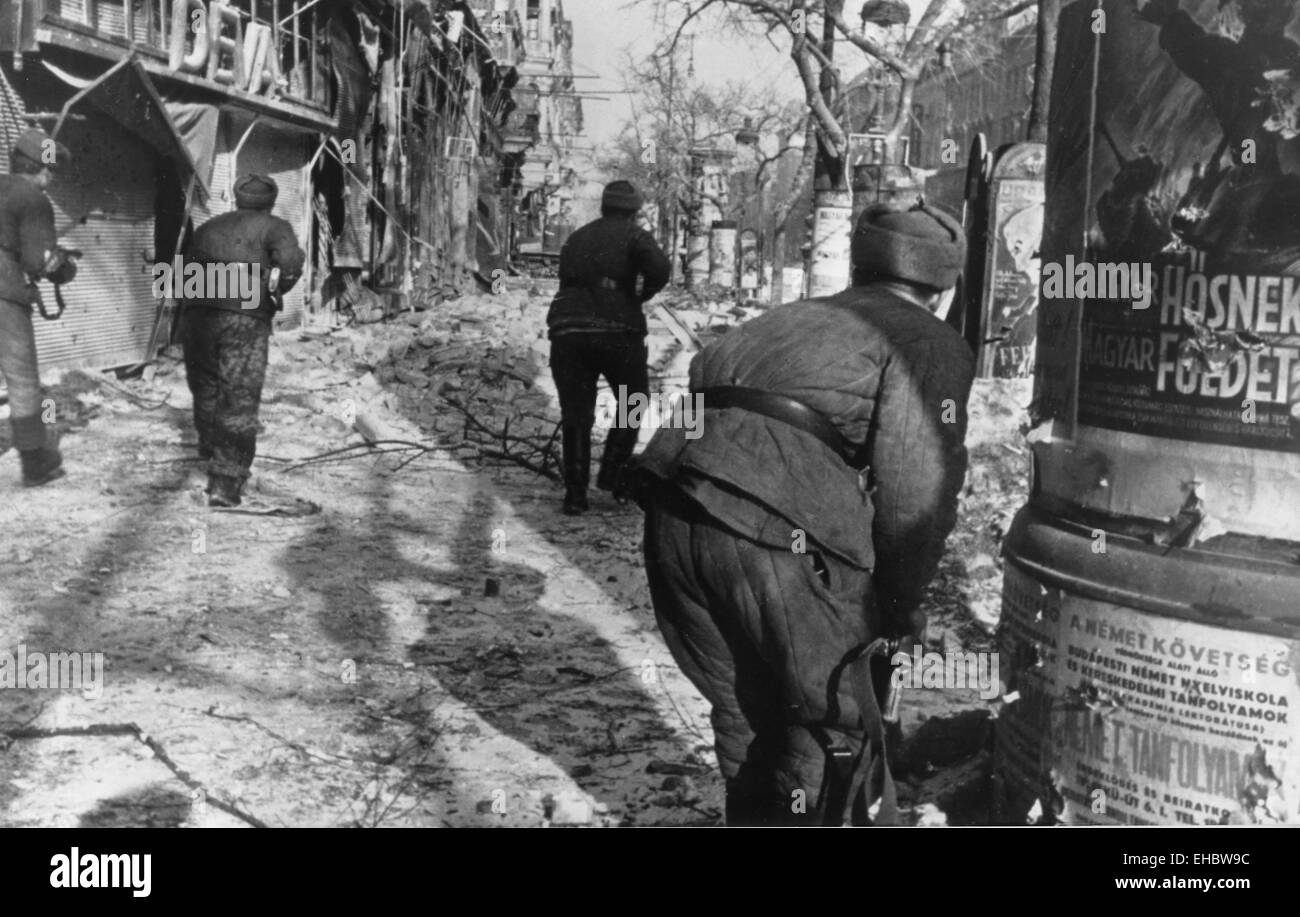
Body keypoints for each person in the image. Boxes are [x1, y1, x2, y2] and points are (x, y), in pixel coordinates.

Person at [633, 201, 975, 826]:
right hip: (770, 530)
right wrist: (897, 601)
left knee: (746, 710)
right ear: (944, 286)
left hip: (673, 511)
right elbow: (914, 487)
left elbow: (702, 391)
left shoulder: (787, 317)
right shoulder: (926, 339)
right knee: (830, 719)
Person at [179, 173, 305, 507]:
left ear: (237, 199)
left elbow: (184, 268)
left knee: (206, 386)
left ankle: (210, 449)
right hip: (243, 315)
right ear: (271, 202)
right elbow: (290, 265)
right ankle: (225, 481)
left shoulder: (209, 226)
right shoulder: (276, 227)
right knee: (239, 395)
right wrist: (273, 292)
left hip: (197, 311)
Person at [546, 179, 670, 515]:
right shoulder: (635, 236)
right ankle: (613, 474)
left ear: (603, 206)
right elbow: (660, 269)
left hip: (567, 330)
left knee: (576, 414)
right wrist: (639, 295)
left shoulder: (576, 237)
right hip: (616, 330)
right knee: (634, 399)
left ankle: (575, 494)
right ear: (634, 211)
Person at [0, 127, 76, 487]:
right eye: (52, 170)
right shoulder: (33, 198)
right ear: (41, 168)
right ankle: (35, 462)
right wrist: (65, 268)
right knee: (21, 377)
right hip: (4, 294)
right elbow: (39, 262)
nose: (52, 178)